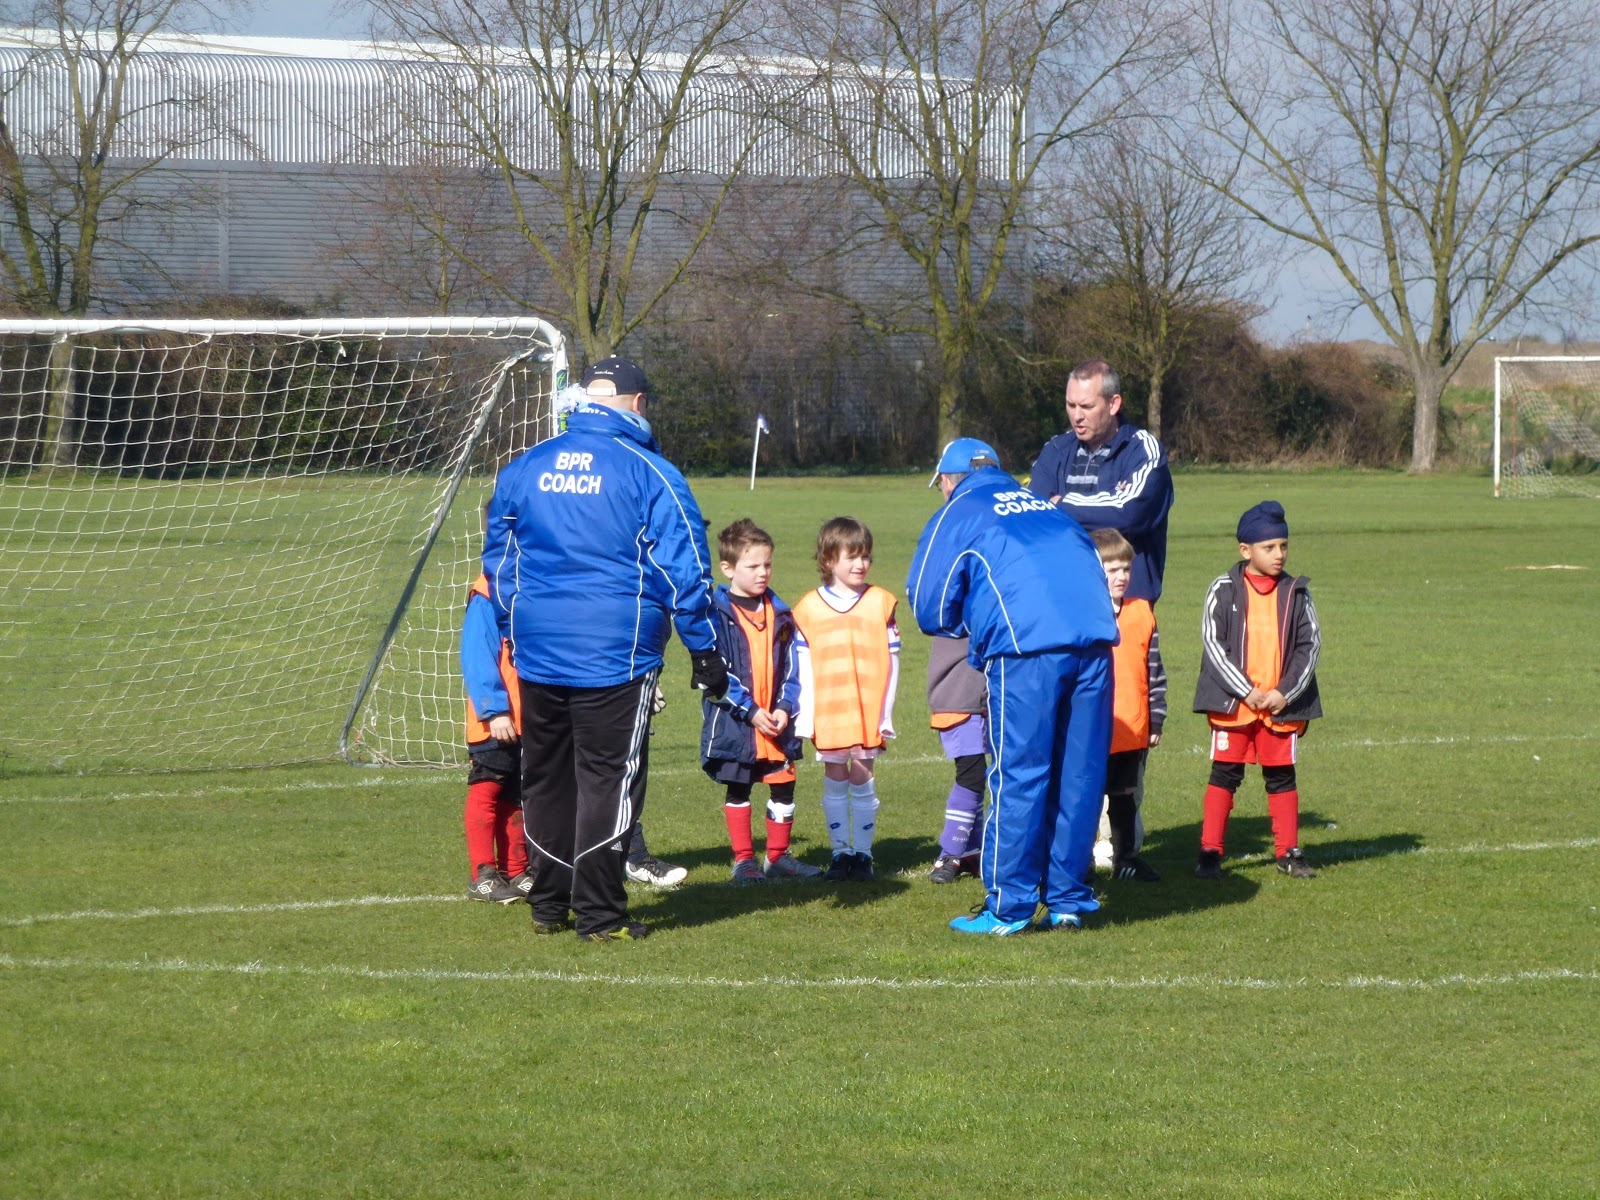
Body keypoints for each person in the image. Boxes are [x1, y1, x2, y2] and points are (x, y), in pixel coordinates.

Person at [482, 355, 727, 941]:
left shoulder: (524, 467)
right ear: (638, 403)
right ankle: (600, 914)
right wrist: (704, 648)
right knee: (608, 780)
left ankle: (548, 906)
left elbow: (501, 561)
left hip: (538, 646)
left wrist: (515, 628)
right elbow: (685, 570)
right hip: (616, 650)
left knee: (546, 777)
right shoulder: (651, 471)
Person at [907, 438, 1119, 935]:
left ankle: (1010, 905)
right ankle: (1068, 898)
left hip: (1025, 647)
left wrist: (971, 622)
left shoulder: (959, 511)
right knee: (1079, 772)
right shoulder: (1045, 508)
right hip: (1095, 641)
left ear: (948, 478)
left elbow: (929, 606)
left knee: (1019, 772)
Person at [1193, 500, 1323, 881]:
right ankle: (1209, 851)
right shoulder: (1223, 589)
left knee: (1282, 776)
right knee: (1224, 774)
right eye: (1269, 547)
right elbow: (1213, 645)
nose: (1279, 554)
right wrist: (1246, 691)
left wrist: (1285, 693)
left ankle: (1288, 852)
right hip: (1235, 705)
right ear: (1245, 550)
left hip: (1279, 706)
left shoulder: (1298, 593)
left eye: (1283, 545)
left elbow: (1309, 646)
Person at [701, 518, 823, 883]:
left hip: (776, 721)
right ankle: (743, 860)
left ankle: (778, 857)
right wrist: (751, 711)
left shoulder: (781, 612)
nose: (762, 572)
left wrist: (785, 707)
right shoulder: (717, 613)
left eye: (767, 564)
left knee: (784, 784)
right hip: (738, 722)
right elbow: (716, 671)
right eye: (752, 566)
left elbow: (792, 667)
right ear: (727, 568)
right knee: (739, 786)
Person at [792, 516, 900, 882]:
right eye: (851, 557)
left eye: (865, 556)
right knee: (835, 776)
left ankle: (864, 855)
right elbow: (802, 665)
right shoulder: (808, 607)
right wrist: (804, 717)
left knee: (864, 776)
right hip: (829, 712)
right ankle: (840, 853)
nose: (860, 564)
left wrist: (886, 714)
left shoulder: (881, 602)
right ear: (828, 561)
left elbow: (895, 661)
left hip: (867, 710)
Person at [1028, 359, 1175, 604]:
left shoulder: (1142, 449)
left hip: (1127, 607)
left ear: (1113, 404)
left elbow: (1129, 513)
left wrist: (1062, 505)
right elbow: (1035, 514)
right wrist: (1102, 508)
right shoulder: (1055, 449)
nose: (1076, 416)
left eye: (1086, 406)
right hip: (1064, 603)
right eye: (1070, 405)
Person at [1090, 528, 1166, 882]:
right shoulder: (1084, 613)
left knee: (1123, 798)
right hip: (1090, 729)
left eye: (1126, 569)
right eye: (1112, 570)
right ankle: (1078, 862)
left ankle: (1126, 859)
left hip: (1132, 729)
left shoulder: (1142, 613)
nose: (1121, 577)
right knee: (1085, 800)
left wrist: (1156, 720)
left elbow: (1154, 671)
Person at [460, 572, 532, 904]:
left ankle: (517, 871)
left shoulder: (536, 576)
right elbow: (477, 652)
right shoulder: (487, 591)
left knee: (518, 795)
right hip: (496, 719)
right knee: (489, 787)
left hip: (529, 717)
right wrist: (494, 709)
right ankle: (483, 876)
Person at [925, 635, 987, 883]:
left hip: (996, 695)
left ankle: (972, 851)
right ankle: (949, 854)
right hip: (960, 694)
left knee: (984, 775)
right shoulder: (955, 598)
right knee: (971, 774)